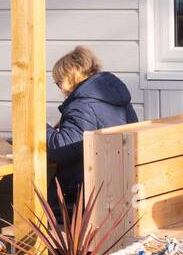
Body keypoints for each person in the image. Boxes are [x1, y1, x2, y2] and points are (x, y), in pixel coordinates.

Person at [47, 46, 139, 205]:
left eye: (59, 82)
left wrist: (40, 128)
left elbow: (61, 149)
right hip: (120, 184)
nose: (60, 88)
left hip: (83, 195)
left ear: (72, 75)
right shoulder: (115, 98)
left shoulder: (82, 105)